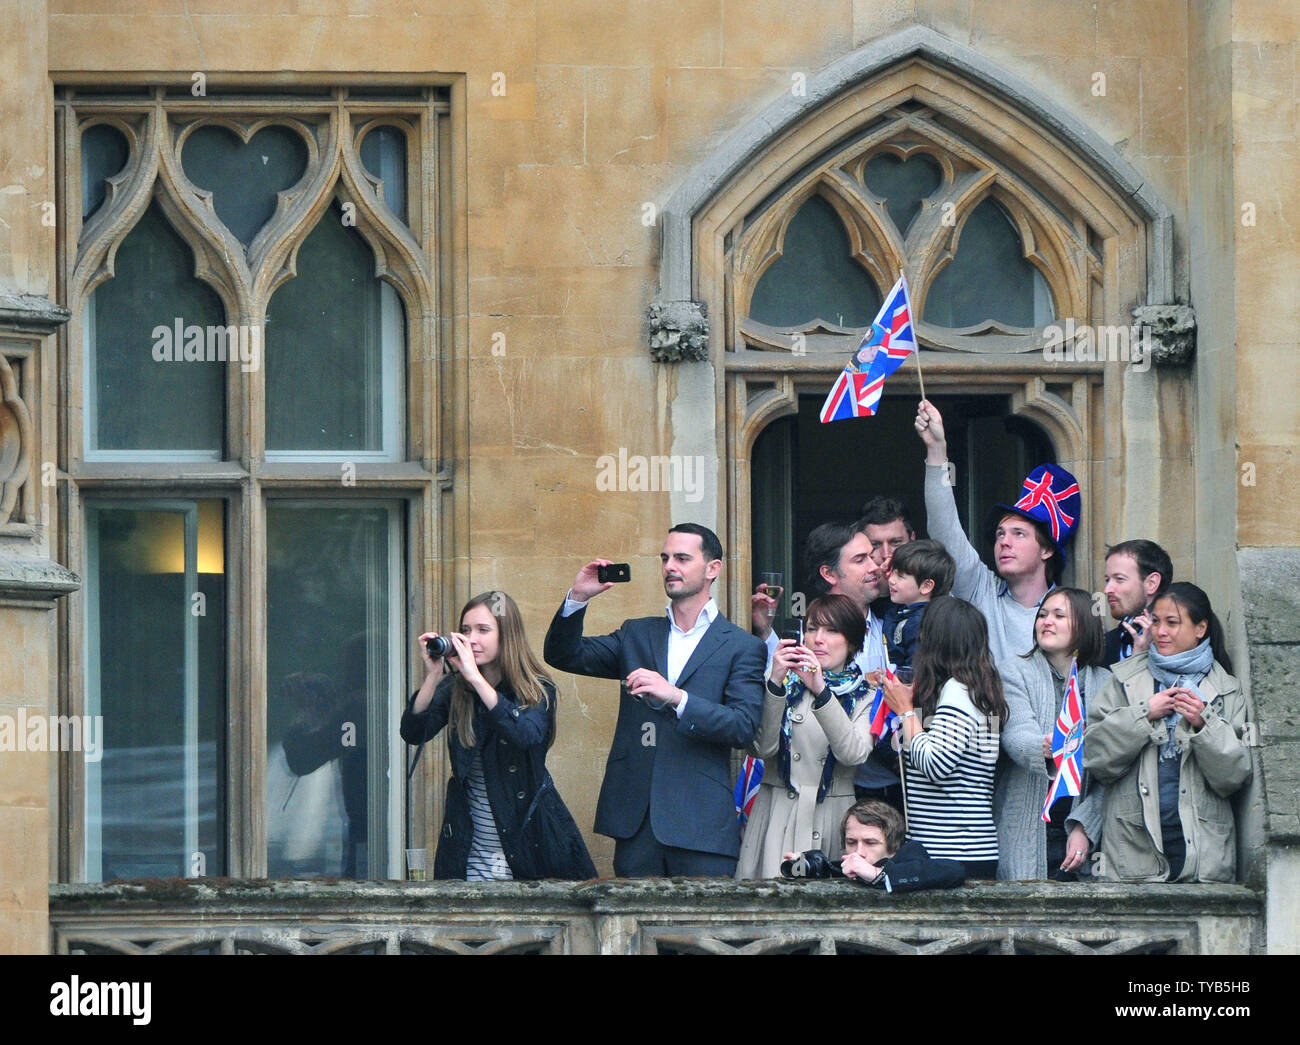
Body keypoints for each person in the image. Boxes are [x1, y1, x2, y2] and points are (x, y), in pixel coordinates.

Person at [543, 523, 765, 877]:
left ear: (713, 568)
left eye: (681, 558)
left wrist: (677, 698)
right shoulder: (637, 634)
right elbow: (564, 655)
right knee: (630, 932)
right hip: (637, 824)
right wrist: (578, 597)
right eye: (665, 558)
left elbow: (742, 726)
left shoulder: (742, 646)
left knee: (699, 933)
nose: (669, 567)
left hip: (702, 826)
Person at [401, 591, 595, 881]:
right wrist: (433, 677)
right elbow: (414, 732)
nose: (472, 639)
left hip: (529, 845)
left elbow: (526, 734)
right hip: (470, 850)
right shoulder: (457, 690)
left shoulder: (536, 689)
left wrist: (476, 679)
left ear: (507, 635)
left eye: (483, 630)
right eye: (466, 630)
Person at [1085, 583, 1251, 882]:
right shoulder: (1123, 679)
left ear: (1200, 628)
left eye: (1172, 623)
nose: (1160, 631)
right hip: (1132, 851)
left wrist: (1205, 723)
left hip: (1203, 853)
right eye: (1157, 621)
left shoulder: (1227, 690)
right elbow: (1095, 760)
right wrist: (1142, 713)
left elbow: (1233, 778)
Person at [914, 399, 1081, 678]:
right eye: (1000, 534)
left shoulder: (1069, 612)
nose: (1004, 541)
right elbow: (945, 531)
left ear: (1047, 550)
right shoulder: (982, 590)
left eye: (1019, 534)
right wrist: (936, 451)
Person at [736, 594, 875, 880]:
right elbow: (761, 748)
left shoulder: (866, 694)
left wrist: (822, 692)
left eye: (831, 630)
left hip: (831, 817)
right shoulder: (780, 683)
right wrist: (775, 683)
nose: (818, 639)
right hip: (775, 814)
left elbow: (853, 754)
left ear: (852, 641)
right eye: (812, 629)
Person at [879, 596, 1006, 879]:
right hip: (962, 851)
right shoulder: (974, 688)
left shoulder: (958, 692)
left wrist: (905, 710)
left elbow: (935, 764)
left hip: (954, 853)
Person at [996, 587, 1110, 881]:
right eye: (1043, 614)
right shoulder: (1014, 671)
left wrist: (1085, 827)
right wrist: (1043, 747)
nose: (1046, 621)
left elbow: (1113, 769)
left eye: (1059, 615)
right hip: (1030, 824)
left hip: (1084, 831)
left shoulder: (1109, 683)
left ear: (1083, 624)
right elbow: (1015, 732)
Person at [780, 799, 965, 893]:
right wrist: (802, 866)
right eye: (851, 842)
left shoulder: (910, 854)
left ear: (893, 848)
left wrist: (878, 876)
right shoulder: (846, 866)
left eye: (870, 843)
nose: (859, 852)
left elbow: (954, 870)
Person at [882, 539, 955, 671]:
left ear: (926, 586)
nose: (891, 580)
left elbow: (916, 671)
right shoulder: (903, 608)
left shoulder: (921, 623)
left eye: (900, 575)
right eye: (892, 571)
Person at [1102, 538, 1173, 666]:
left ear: (1151, 583)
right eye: (1107, 580)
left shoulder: (1182, 640)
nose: (1107, 589)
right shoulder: (1104, 645)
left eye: (1119, 579)